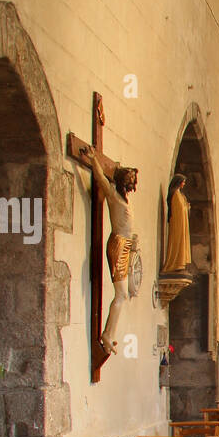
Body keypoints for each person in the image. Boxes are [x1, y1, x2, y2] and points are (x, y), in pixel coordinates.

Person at [80, 144, 139, 358]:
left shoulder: (123, 199)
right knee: (121, 294)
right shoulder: (113, 196)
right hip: (117, 244)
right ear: (123, 182)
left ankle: (109, 332)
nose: (132, 186)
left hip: (125, 245)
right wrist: (94, 158)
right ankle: (107, 333)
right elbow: (101, 179)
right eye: (130, 181)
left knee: (122, 294)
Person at [162, 173, 191, 272]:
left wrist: (186, 207)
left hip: (182, 224)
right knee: (177, 241)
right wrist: (185, 207)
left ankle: (180, 263)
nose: (184, 184)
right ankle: (175, 263)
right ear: (178, 182)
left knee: (181, 241)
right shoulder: (175, 194)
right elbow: (177, 208)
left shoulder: (179, 194)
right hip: (177, 224)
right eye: (183, 182)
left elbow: (182, 207)